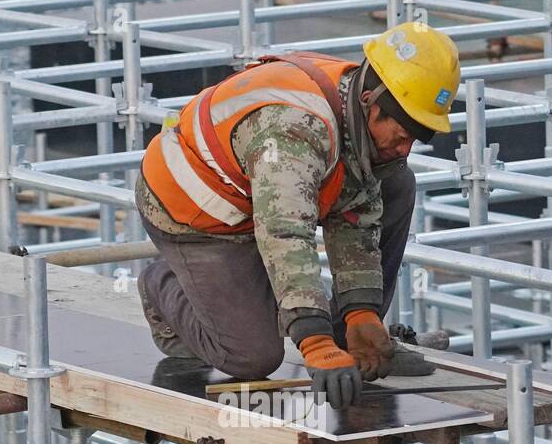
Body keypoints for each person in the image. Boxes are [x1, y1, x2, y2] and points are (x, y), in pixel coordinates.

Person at [136, 21, 460, 409]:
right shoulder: (294, 130)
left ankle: (353, 337)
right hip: (195, 214)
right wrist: (314, 341)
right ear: (371, 100)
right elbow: (286, 232)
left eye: (419, 136)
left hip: (257, 197)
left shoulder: (354, 110)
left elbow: (354, 213)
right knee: (252, 357)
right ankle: (163, 283)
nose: (406, 147)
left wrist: (362, 314)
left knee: (397, 182)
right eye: (404, 131)